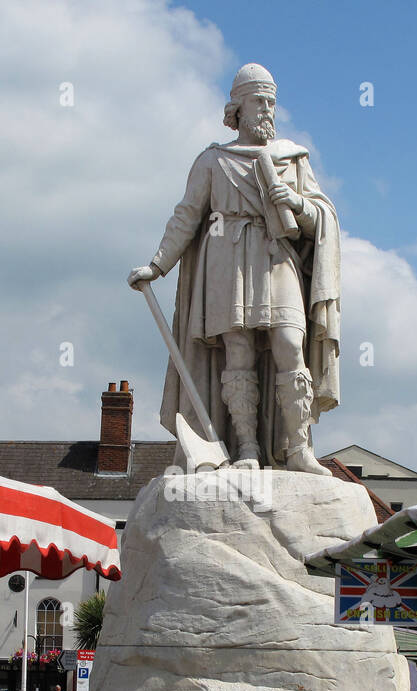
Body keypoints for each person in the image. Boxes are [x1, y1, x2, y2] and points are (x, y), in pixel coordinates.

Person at [129, 63, 342, 475]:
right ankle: (246, 448)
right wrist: (157, 266)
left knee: (289, 344)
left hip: (276, 256)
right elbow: (186, 215)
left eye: (272, 103)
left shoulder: (292, 158)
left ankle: (297, 449)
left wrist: (295, 202)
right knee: (238, 352)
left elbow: (322, 217)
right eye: (259, 102)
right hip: (226, 261)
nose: (267, 111)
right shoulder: (213, 160)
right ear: (237, 109)